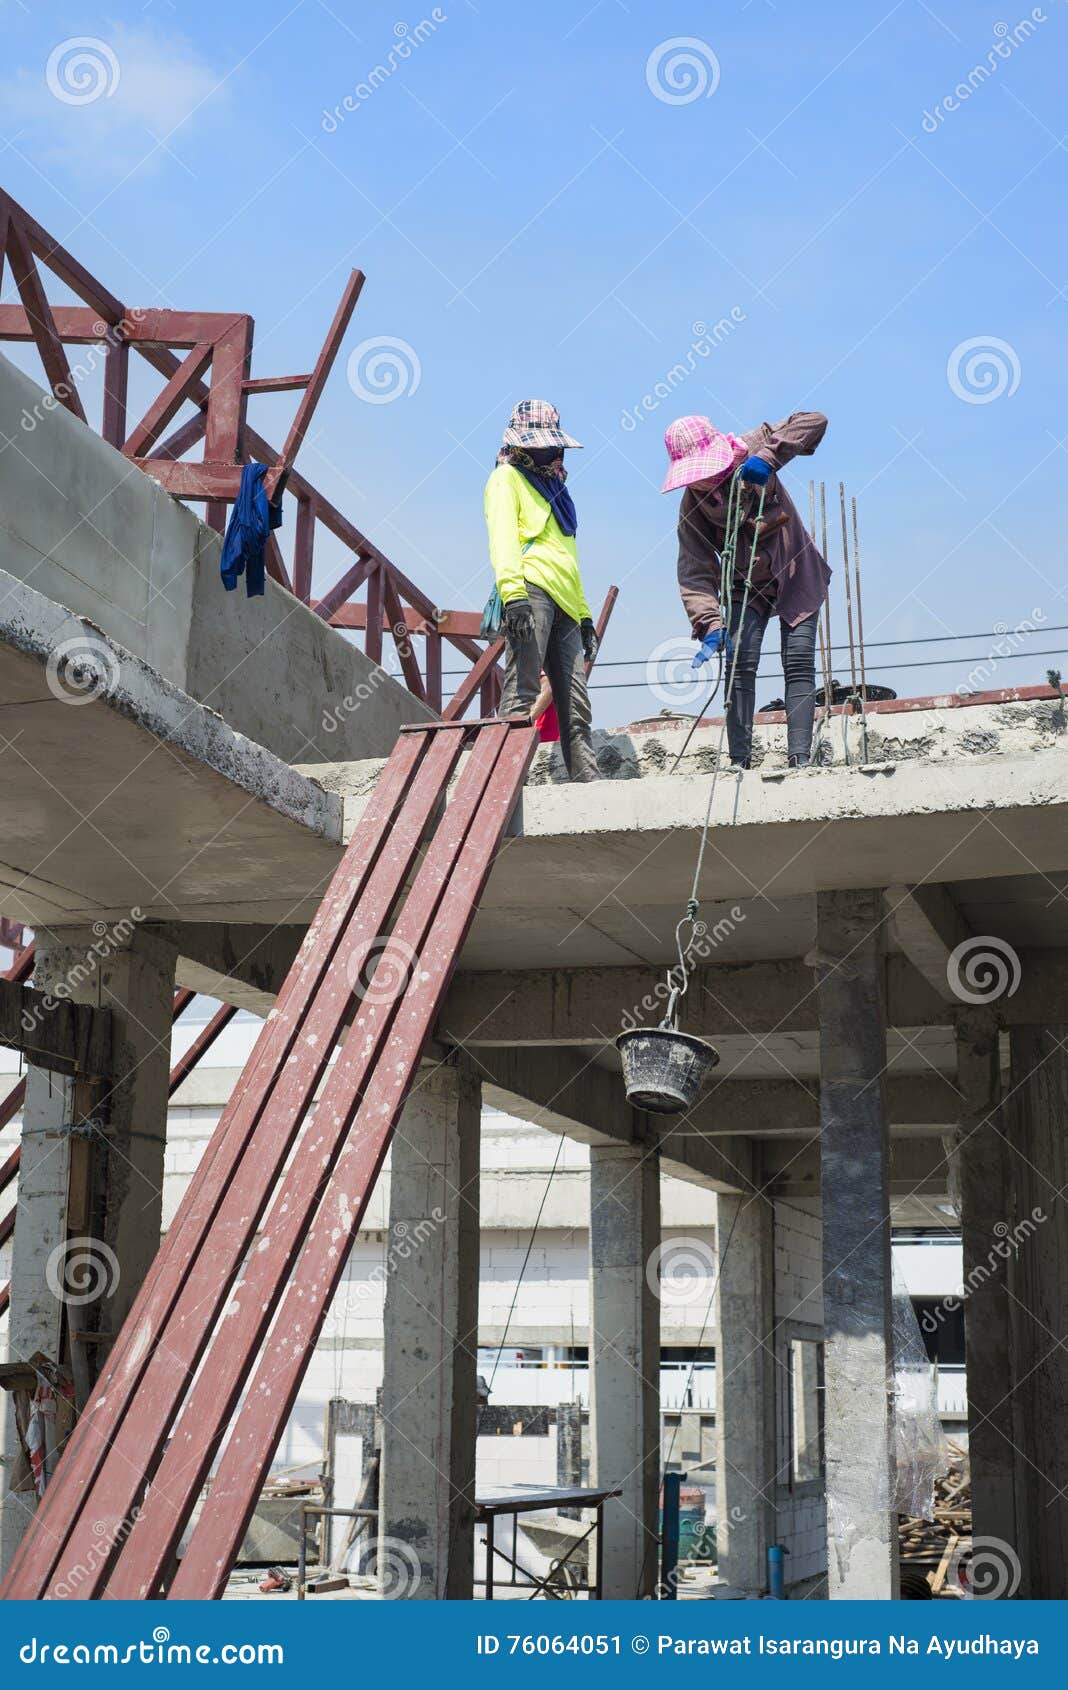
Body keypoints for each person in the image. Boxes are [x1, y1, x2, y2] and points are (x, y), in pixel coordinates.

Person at [662, 412, 830, 768]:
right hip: (744, 583)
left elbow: (815, 421)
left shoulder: (752, 447)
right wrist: (709, 622)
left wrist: (769, 457)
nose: (704, 481)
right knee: (740, 661)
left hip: (794, 567)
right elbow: (694, 567)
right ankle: (740, 761)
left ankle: (800, 757)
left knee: (798, 660)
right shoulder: (693, 505)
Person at [484, 399, 600, 782]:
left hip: (566, 601)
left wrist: (585, 617)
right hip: (530, 590)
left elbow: (569, 559)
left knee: (575, 704)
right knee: (522, 690)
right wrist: (513, 595)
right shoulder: (506, 479)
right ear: (524, 446)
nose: (554, 452)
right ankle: (502, 784)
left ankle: (588, 782)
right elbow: (503, 541)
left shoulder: (557, 492)